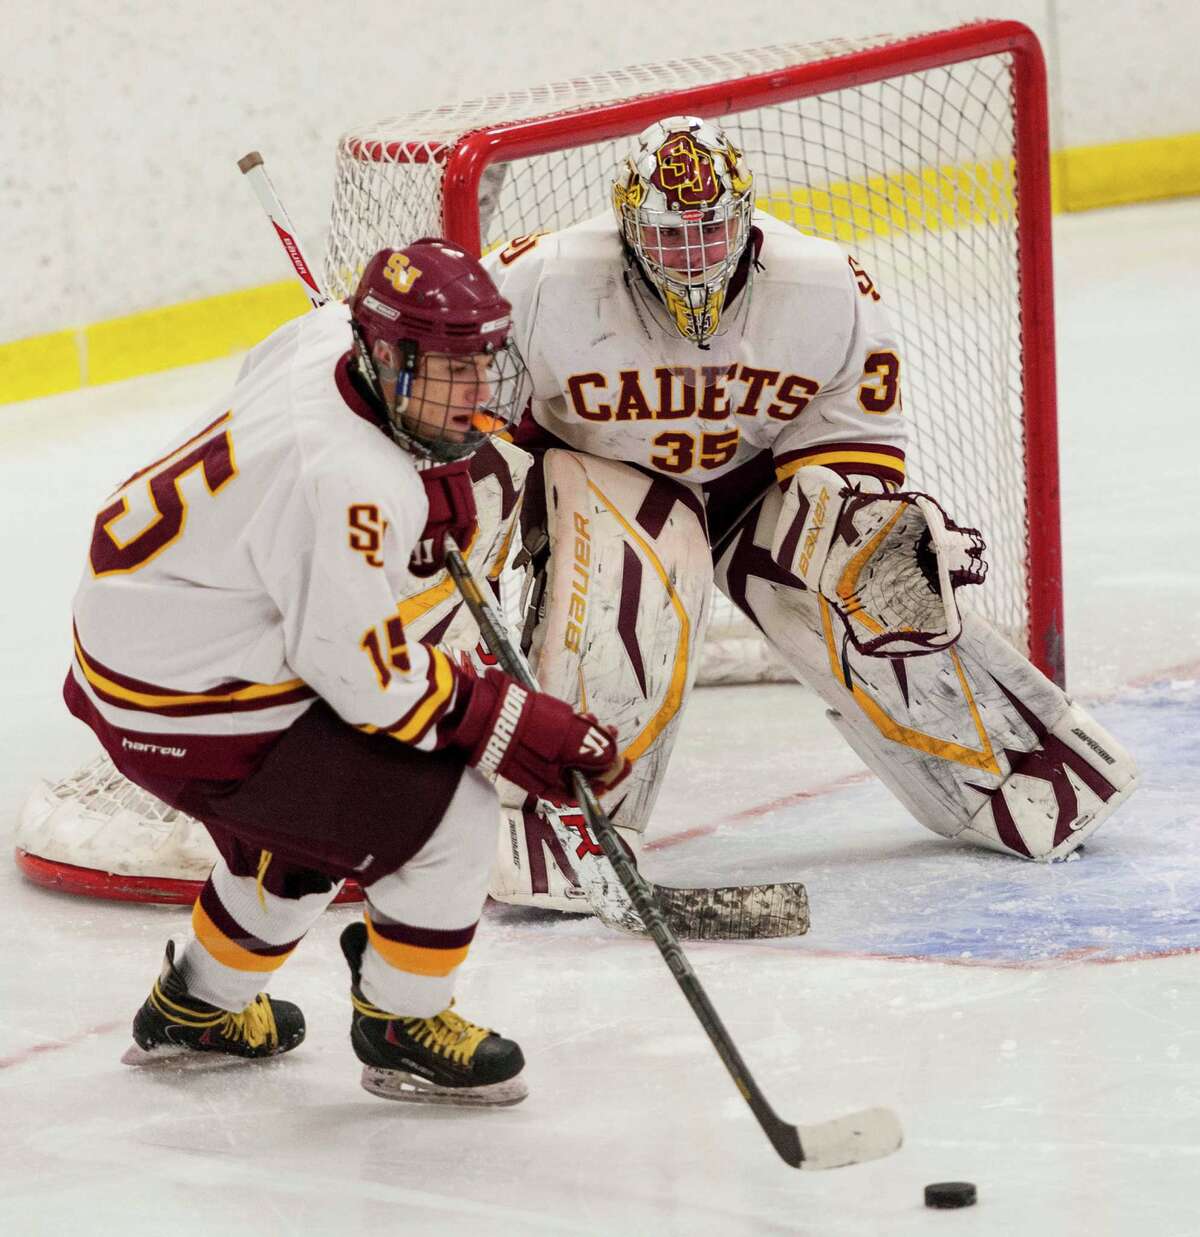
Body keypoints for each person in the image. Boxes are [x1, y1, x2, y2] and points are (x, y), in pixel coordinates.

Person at [479, 116, 1137, 913]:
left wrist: (876, 540)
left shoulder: (825, 285)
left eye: (715, 233)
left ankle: (1014, 772)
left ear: (748, 215)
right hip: (601, 476)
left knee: (862, 567)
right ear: (626, 227)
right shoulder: (542, 280)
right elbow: (475, 432)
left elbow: (852, 446)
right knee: (647, 559)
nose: (697, 258)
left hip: (755, 482)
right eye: (672, 238)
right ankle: (570, 825)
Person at [64, 238, 626, 1105]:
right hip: (191, 698)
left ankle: (197, 1008)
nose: (477, 391)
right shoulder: (352, 480)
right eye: (448, 369)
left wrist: (418, 483)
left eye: (483, 359)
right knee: (449, 799)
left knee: (308, 824)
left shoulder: (327, 334)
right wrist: (508, 720)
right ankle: (402, 1022)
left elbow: (268, 386)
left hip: (143, 643)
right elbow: (362, 677)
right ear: (388, 355)